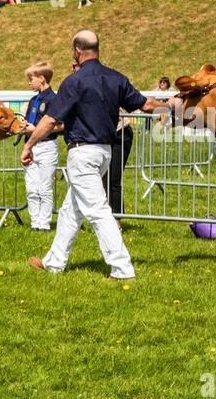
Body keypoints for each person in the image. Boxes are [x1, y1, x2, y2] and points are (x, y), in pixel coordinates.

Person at [22, 30, 164, 280]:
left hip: (83, 153)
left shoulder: (74, 81)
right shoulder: (116, 78)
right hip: (105, 152)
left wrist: (28, 145)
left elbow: (50, 120)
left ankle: (122, 268)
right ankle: (54, 262)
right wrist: (173, 104)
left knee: (98, 210)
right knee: (70, 210)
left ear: (77, 50)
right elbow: (146, 105)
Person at [22, 62, 61, 231]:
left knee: (44, 188)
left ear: (42, 79)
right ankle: (34, 222)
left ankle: (44, 224)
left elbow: (62, 124)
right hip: (30, 147)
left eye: (31, 79)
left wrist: (37, 130)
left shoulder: (55, 100)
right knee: (31, 188)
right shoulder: (33, 100)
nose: (29, 83)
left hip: (47, 146)